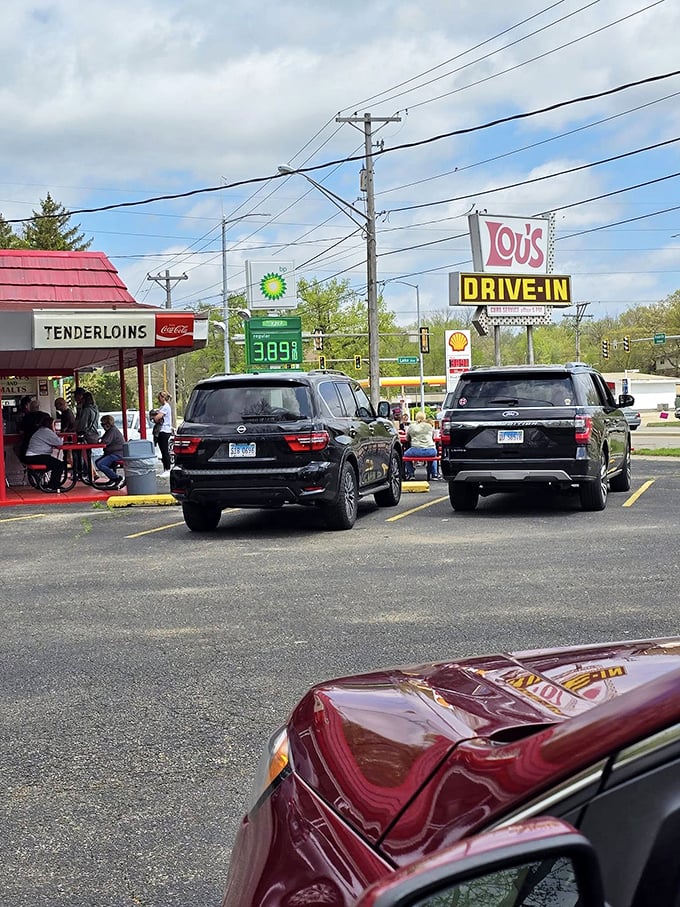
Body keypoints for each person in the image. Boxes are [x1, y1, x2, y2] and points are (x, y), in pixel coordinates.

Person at [24, 413, 66, 491]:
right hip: (36, 456)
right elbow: (59, 443)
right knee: (59, 465)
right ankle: (54, 485)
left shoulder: (41, 431)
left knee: (54, 463)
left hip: (31, 456)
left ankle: (47, 480)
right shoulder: (47, 432)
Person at [404, 410, 440, 480]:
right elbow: (433, 437)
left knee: (405, 455)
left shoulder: (411, 426)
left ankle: (411, 474)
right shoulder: (429, 426)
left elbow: (407, 439)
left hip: (416, 450)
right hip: (430, 450)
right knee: (434, 455)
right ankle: (434, 474)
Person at [95, 415, 126, 489]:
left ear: (108, 424)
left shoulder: (112, 431)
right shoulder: (111, 430)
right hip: (114, 453)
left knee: (100, 464)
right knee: (97, 462)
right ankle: (112, 478)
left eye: (103, 424)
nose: (103, 426)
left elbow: (105, 442)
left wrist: (99, 441)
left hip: (117, 454)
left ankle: (116, 478)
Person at [152, 391, 173, 477]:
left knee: (164, 451)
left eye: (159, 398)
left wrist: (155, 416)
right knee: (162, 450)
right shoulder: (162, 407)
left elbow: (157, 418)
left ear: (163, 398)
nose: (158, 399)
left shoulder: (165, 407)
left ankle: (167, 469)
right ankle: (165, 468)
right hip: (162, 431)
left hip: (164, 430)